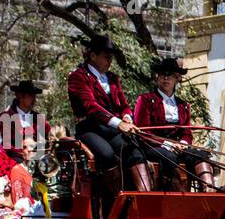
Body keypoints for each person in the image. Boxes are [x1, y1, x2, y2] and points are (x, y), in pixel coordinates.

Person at [67, 34, 152, 192]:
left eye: (111, 57)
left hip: (113, 128)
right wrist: (118, 123)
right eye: (106, 57)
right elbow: (91, 106)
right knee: (106, 155)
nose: (110, 61)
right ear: (93, 55)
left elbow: (124, 105)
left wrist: (127, 117)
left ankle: (144, 197)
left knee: (134, 149)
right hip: (90, 128)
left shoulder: (112, 78)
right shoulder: (78, 77)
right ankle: (114, 201)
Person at [132, 56, 216, 190]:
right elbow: (143, 132)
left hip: (177, 147)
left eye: (169, 75)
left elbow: (187, 133)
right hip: (153, 146)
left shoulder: (183, 106)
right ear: (157, 77)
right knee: (170, 156)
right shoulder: (146, 100)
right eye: (162, 74)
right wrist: (168, 145)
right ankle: (179, 194)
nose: (165, 78)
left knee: (200, 155)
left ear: (177, 78)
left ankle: (210, 190)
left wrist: (182, 144)